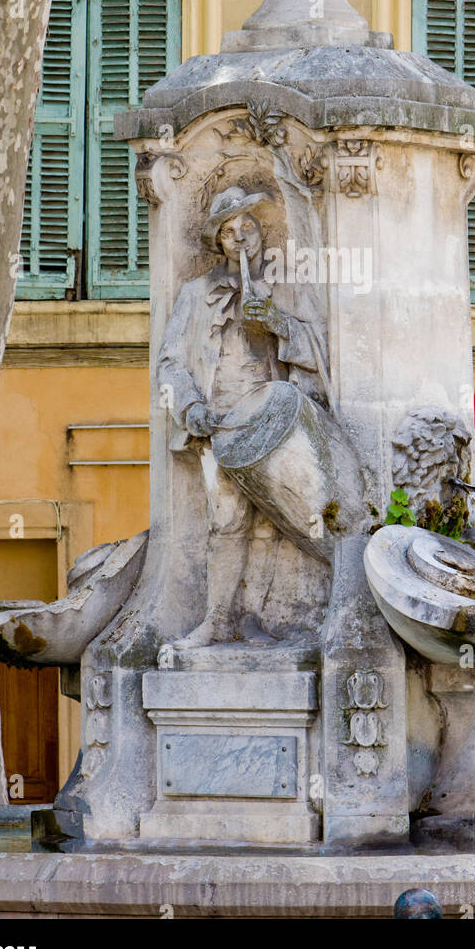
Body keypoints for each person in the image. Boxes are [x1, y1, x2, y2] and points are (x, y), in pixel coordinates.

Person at [157, 186, 323, 647]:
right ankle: (216, 619)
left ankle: (249, 617)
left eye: (247, 225)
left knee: (269, 519)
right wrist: (190, 408)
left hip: (273, 421)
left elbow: (319, 352)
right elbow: (170, 362)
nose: (239, 236)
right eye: (228, 230)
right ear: (219, 241)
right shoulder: (195, 294)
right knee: (226, 519)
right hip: (219, 420)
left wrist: (275, 322)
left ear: (259, 232)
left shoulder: (284, 286)